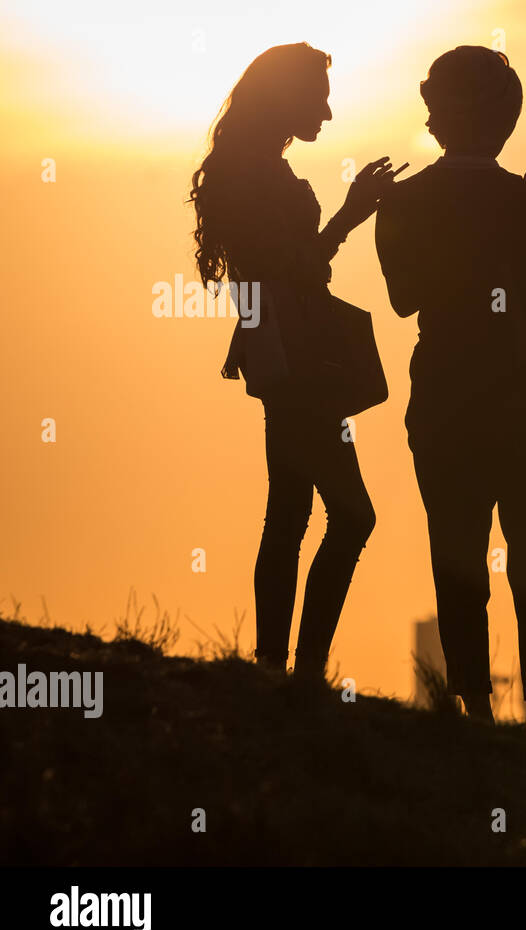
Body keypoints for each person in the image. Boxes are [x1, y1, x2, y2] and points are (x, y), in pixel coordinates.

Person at [375, 47, 526, 739]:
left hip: (447, 403)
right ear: (503, 119)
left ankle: (473, 712)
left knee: (458, 559)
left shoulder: (405, 201)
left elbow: (405, 299)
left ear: (440, 115)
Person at [189, 42, 395, 681]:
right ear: (287, 97)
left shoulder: (247, 167)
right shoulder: (255, 173)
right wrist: (352, 214)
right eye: (320, 97)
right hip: (299, 357)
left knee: (291, 511)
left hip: (286, 352)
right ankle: (296, 670)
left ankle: (279, 670)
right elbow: (297, 267)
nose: (328, 113)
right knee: (348, 515)